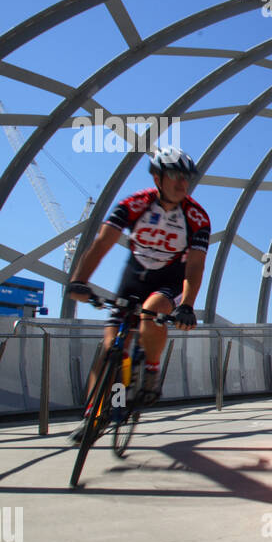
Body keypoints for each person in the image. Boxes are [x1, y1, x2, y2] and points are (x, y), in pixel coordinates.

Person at [66, 147, 210, 440]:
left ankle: (152, 372)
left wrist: (188, 305)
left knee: (154, 309)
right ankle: (98, 414)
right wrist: (79, 280)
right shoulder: (134, 205)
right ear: (157, 177)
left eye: (186, 178)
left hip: (170, 279)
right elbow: (102, 244)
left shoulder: (197, 218)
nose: (181, 184)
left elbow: (195, 267)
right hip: (134, 277)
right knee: (111, 352)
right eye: (174, 176)